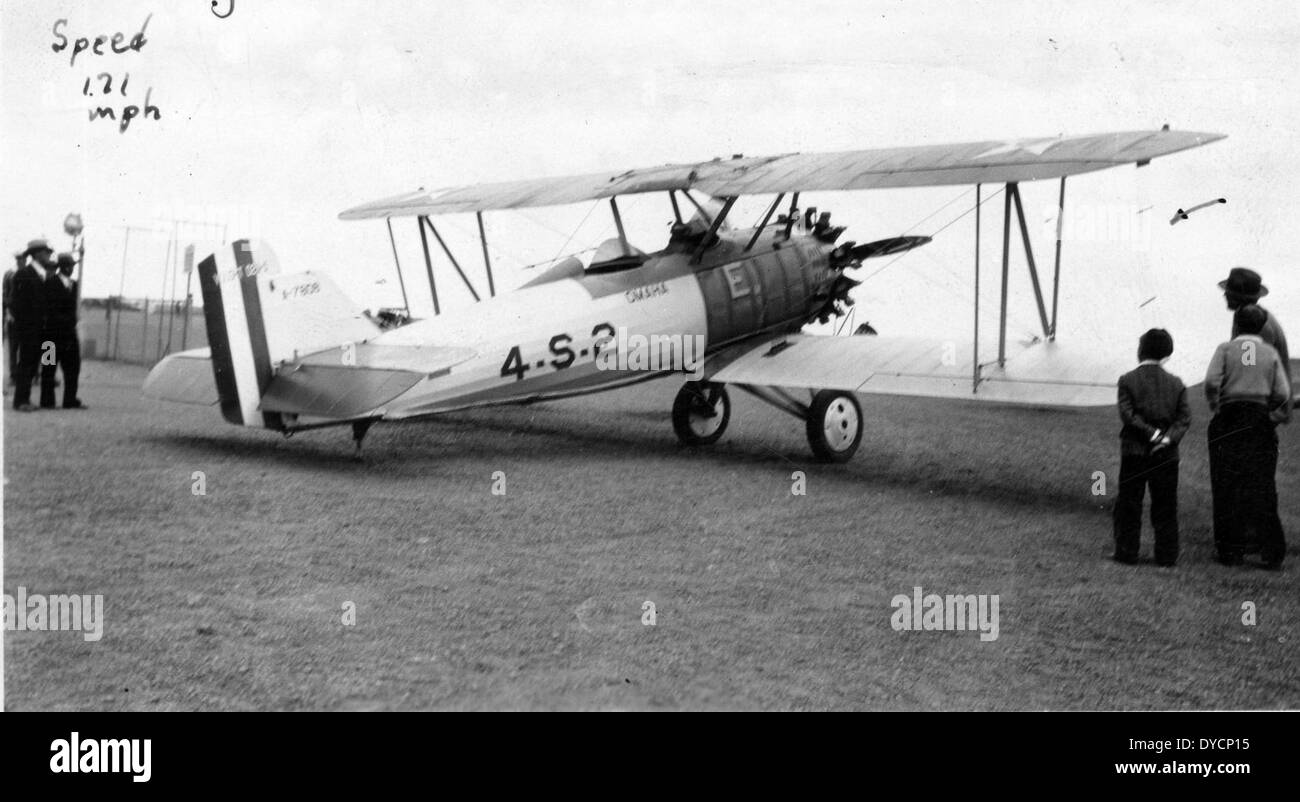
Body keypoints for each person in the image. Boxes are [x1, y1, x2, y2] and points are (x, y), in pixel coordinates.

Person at [1205, 304, 1290, 569]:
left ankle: (1230, 551)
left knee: (1226, 484)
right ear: (1261, 326)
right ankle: (1272, 551)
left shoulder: (1225, 349)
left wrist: (1216, 406)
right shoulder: (1270, 353)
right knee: (1262, 485)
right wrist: (1270, 417)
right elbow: (1283, 394)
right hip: (1259, 420)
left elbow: (1210, 382)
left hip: (1229, 419)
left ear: (1237, 325)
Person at [1113, 329, 1191, 566]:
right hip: (1167, 454)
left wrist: (1151, 434)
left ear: (1140, 350)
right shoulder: (1177, 384)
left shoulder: (1127, 380)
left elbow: (1128, 414)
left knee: (1129, 503)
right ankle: (1167, 555)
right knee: (1166, 506)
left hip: (1135, 451)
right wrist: (1166, 439)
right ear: (1168, 352)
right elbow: (1184, 418)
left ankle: (1127, 552)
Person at [1220, 267, 1289, 387]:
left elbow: (1252, 369)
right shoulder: (1244, 316)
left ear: (1240, 297)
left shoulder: (1257, 325)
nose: (1225, 294)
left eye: (1230, 293)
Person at [10, 240, 53, 411]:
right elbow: (16, 304)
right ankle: (20, 401)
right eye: (45, 252)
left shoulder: (41, 275)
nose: (48, 255)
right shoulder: (24, 274)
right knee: (26, 364)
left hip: (39, 329)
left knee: (32, 365)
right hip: (29, 329)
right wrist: (25, 326)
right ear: (36, 254)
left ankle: (25, 399)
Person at [40, 252, 84, 410]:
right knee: (48, 367)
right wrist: (67, 320)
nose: (72, 268)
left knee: (73, 367)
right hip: (50, 336)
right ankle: (47, 401)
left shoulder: (76, 286)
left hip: (69, 336)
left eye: (73, 265)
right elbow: (50, 309)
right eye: (70, 265)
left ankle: (70, 399)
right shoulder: (50, 283)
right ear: (63, 266)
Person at [3, 251, 21, 389]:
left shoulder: (30, 274)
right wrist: (8, 311)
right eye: (19, 258)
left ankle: (38, 374)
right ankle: (14, 375)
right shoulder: (10, 275)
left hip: (26, 317)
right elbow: (5, 295)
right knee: (13, 348)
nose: (21, 260)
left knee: (35, 348)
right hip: (14, 316)